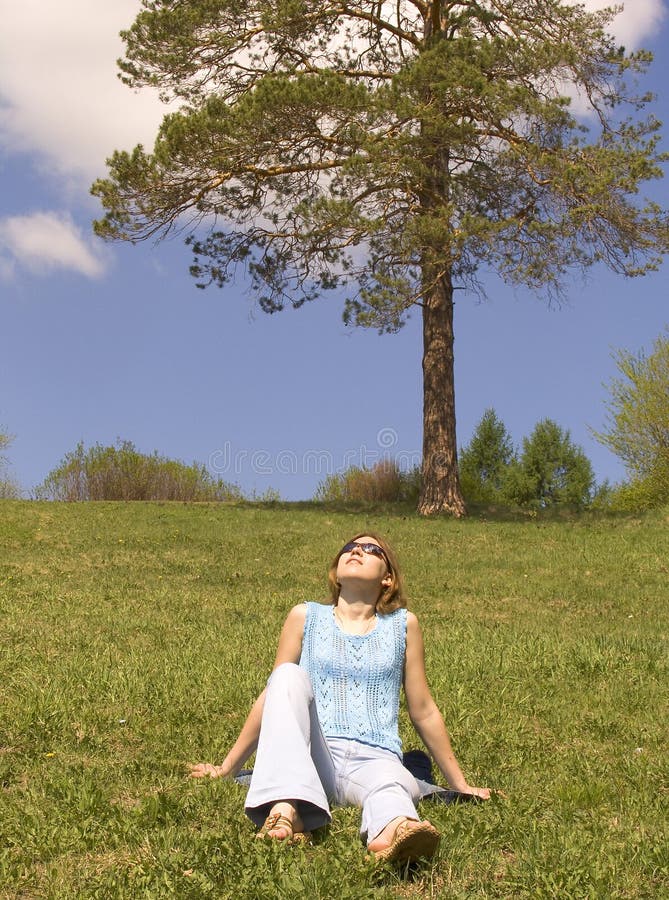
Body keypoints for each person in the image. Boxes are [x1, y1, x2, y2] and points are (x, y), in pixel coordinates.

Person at [190, 532, 490, 863]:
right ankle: (285, 811)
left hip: (376, 758)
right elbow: (276, 696)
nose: (356, 551)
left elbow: (424, 711)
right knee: (286, 675)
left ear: (388, 578)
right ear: (336, 571)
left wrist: (460, 785)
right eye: (350, 548)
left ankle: (396, 832)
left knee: (391, 784)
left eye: (370, 549)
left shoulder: (404, 625)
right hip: (313, 757)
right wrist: (228, 768)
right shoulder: (305, 616)